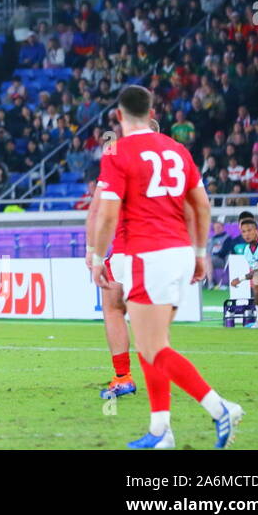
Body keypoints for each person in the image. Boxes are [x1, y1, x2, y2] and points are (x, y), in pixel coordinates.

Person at [89, 86, 243, 449]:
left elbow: (107, 212)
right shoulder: (177, 149)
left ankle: (218, 406)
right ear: (152, 110)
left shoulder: (117, 151)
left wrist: (97, 257)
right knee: (154, 345)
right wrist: (201, 252)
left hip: (147, 255)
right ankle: (160, 432)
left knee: (153, 348)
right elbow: (202, 206)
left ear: (119, 116)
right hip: (178, 252)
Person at [83, 135, 136, 401]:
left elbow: (97, 213)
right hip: (166, 253)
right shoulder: (174, 156)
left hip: (128, 250)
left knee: (114, 309)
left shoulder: (118, 160)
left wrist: (93, 253)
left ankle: (123, 377)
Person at [209, 217, 238, 288]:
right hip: (211, 259)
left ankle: (211, 283)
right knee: (204, 260)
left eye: (218, 227)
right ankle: (209, 283)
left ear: (222, 227)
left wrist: (214, 254)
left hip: (221, 259)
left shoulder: (227, 238)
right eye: (215, 228)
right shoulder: (212, 239)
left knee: (208, 260)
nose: (217, 229)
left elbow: (225, 251)